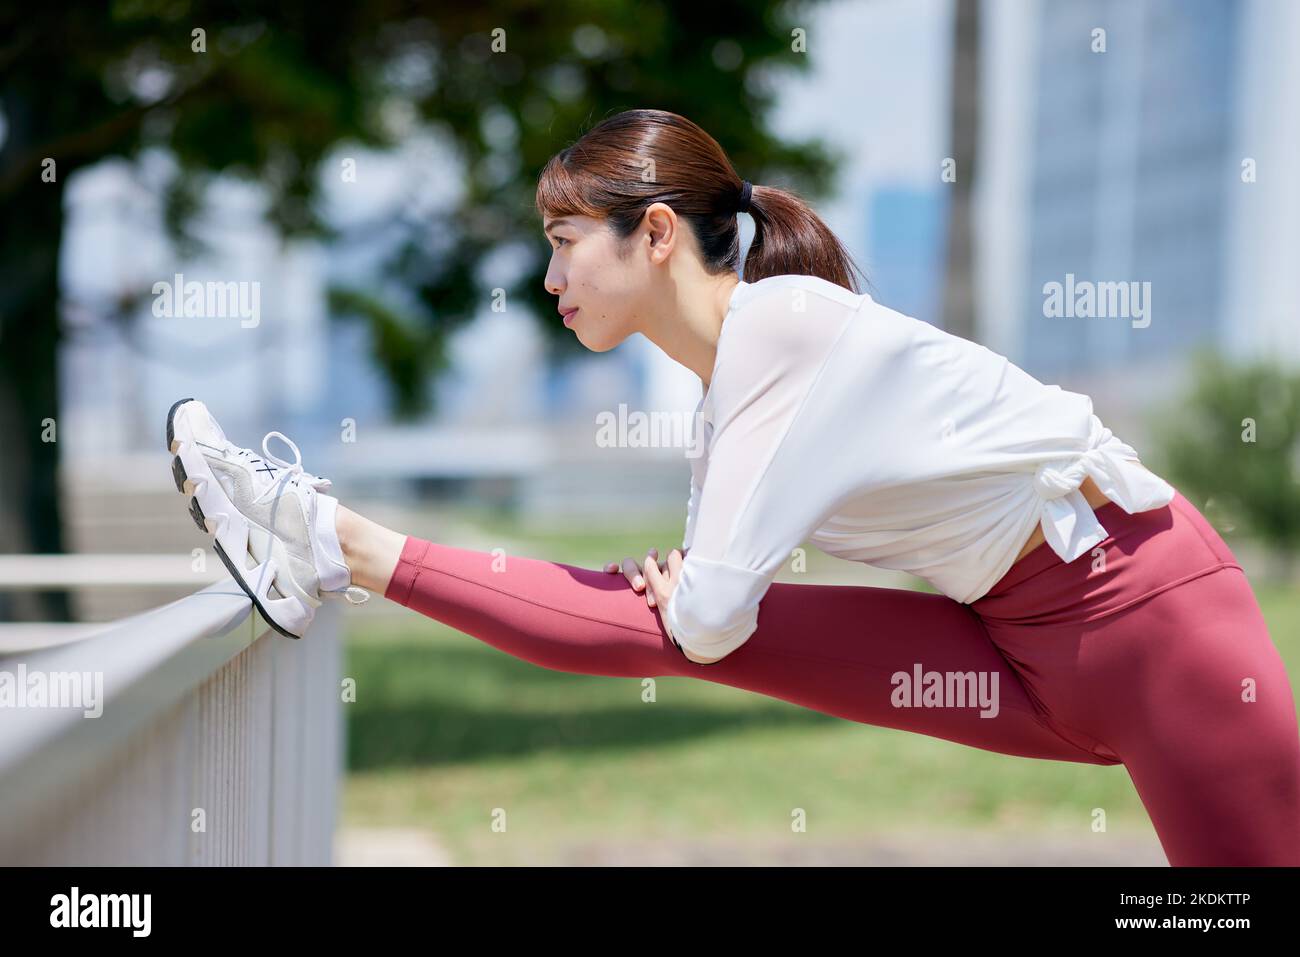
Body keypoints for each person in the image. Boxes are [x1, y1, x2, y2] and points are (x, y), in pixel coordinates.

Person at [163, 109, 1300, 866]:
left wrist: (696, 601)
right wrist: (695, 601)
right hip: (1009, 647)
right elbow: (705, 619)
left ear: (655, 233)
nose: (548, 278)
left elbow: (705, 616)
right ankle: (329, 544)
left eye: (565, 243)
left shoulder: (785, 327)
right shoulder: (728, 400)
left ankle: (331, 540)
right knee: (662, 616)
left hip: (1149, 628)